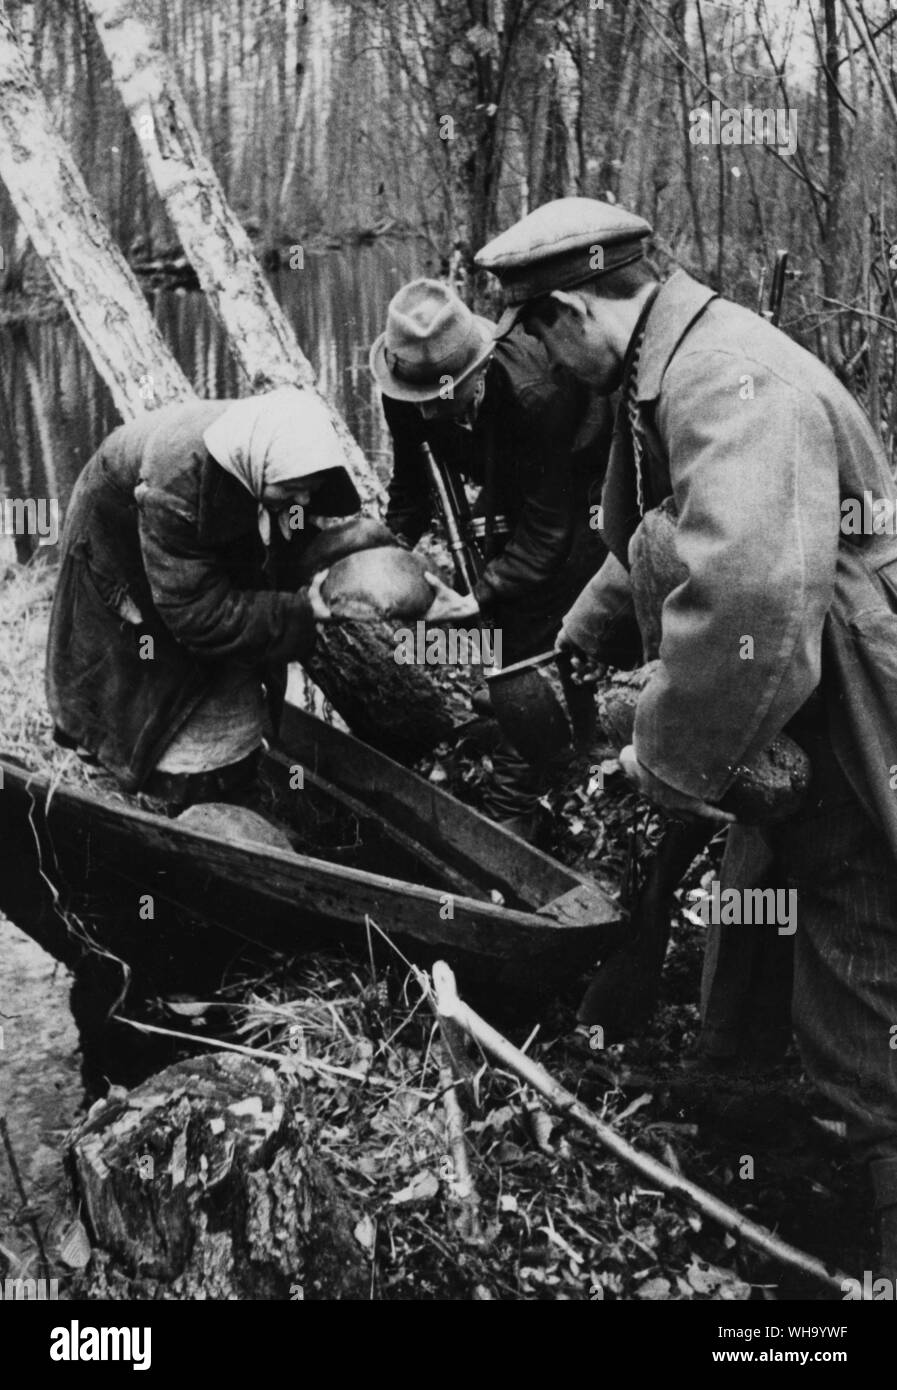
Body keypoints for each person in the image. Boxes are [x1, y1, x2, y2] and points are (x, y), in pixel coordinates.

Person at [476, 195, 897, 1274]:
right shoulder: (664, 360)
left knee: (852, 969)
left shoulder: (725, 380)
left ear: (570, 311)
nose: (537, 361)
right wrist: (581, 637)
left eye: (532, 335)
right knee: (749, 943)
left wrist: (661, 756)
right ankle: (742, 1166)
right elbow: (669, 530)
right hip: (788, 695)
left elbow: (753, 592)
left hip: (841, 706)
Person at [47, 386, 458, 813]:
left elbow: (293, 534)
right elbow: (196, 616)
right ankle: (177, 796)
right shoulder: (177, 485)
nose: (302, 501)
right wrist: (302, 611)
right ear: (260, 470)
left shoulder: (270, 454)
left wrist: (373, 573)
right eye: (294, 489)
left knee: (233, 666)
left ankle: (233, 785)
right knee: (154, 672)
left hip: (178, 538)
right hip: (120, 546)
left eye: (310, 489)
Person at [370, 277, 616, 840]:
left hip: (579, 476)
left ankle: (516, 801)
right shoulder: (406, 384)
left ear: (474, 373)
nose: (427, 414)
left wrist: (479, 597)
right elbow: (410, 482)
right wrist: (385, 551)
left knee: (538, 619)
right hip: (507, 467)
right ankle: (550, 724)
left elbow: (547, 534)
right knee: (498, 587)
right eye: (418, 402)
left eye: (441, 401)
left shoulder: (535, 392)